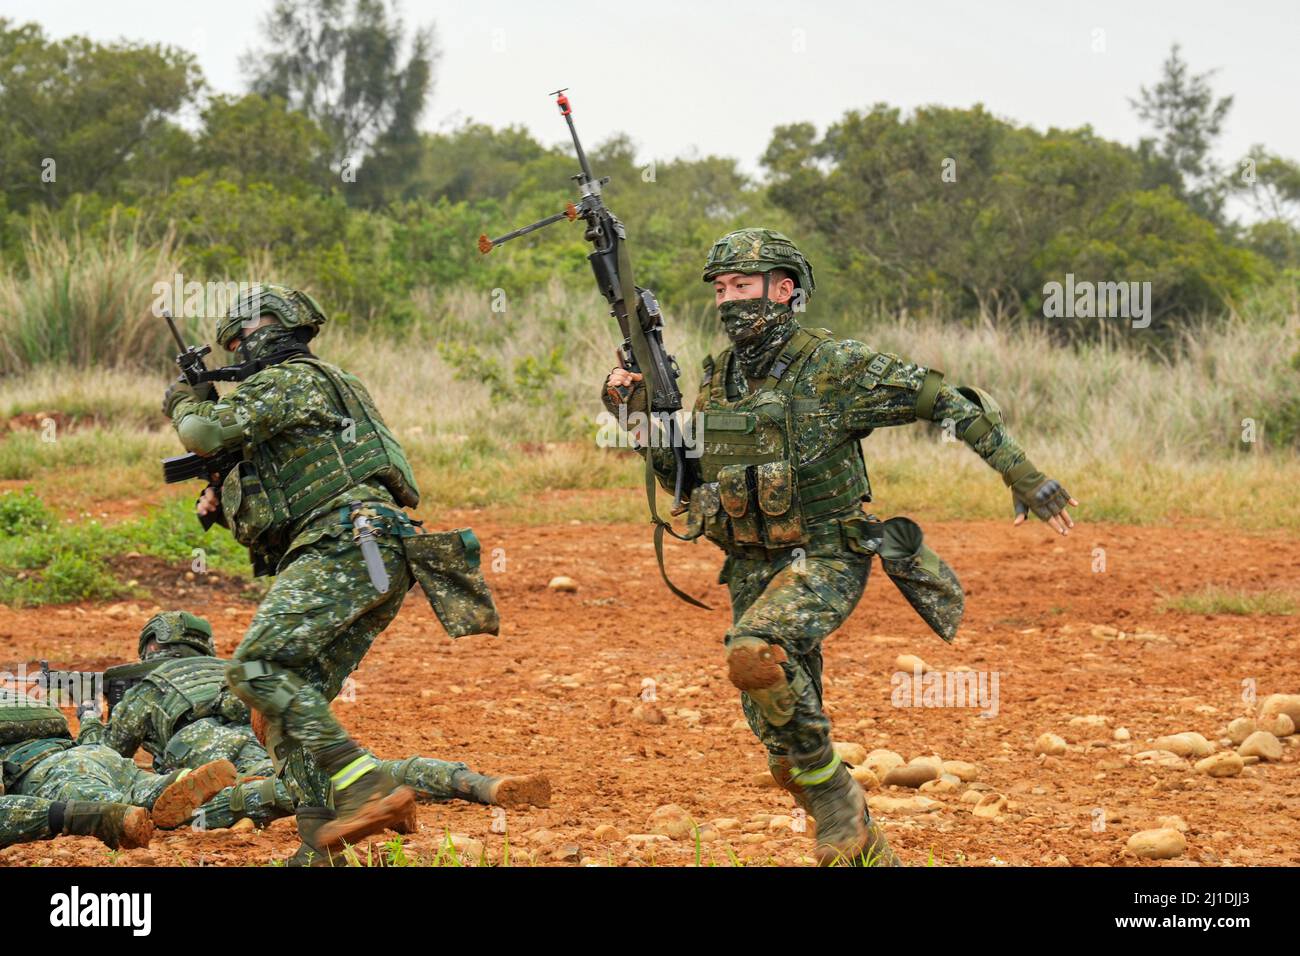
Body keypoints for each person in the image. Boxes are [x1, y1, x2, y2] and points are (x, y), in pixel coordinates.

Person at [602, 228, 1078, 865]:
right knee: (787, 758)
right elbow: (682, 477)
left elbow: (948, 401)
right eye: (720, 289)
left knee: (751, 654)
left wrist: (1023, 475)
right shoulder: (720, 380)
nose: (728, 300)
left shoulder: (835, 366)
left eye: (743, 286)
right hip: (750, 563)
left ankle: (837, 805)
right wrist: (633, 412)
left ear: (785, 289)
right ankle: (868, 851)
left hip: (826, 553)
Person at [164, 284, 500, 854]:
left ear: (274, 327)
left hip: (345, 540)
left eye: (241, 337)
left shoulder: (292, 377)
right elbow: (301, 485)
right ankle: (317, 850)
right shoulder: (329, 387)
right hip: (375, 551)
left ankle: (368, 786)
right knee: (280, 718)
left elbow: (202, 433)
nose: (238, 350)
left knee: (254, 669)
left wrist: (184, 399)